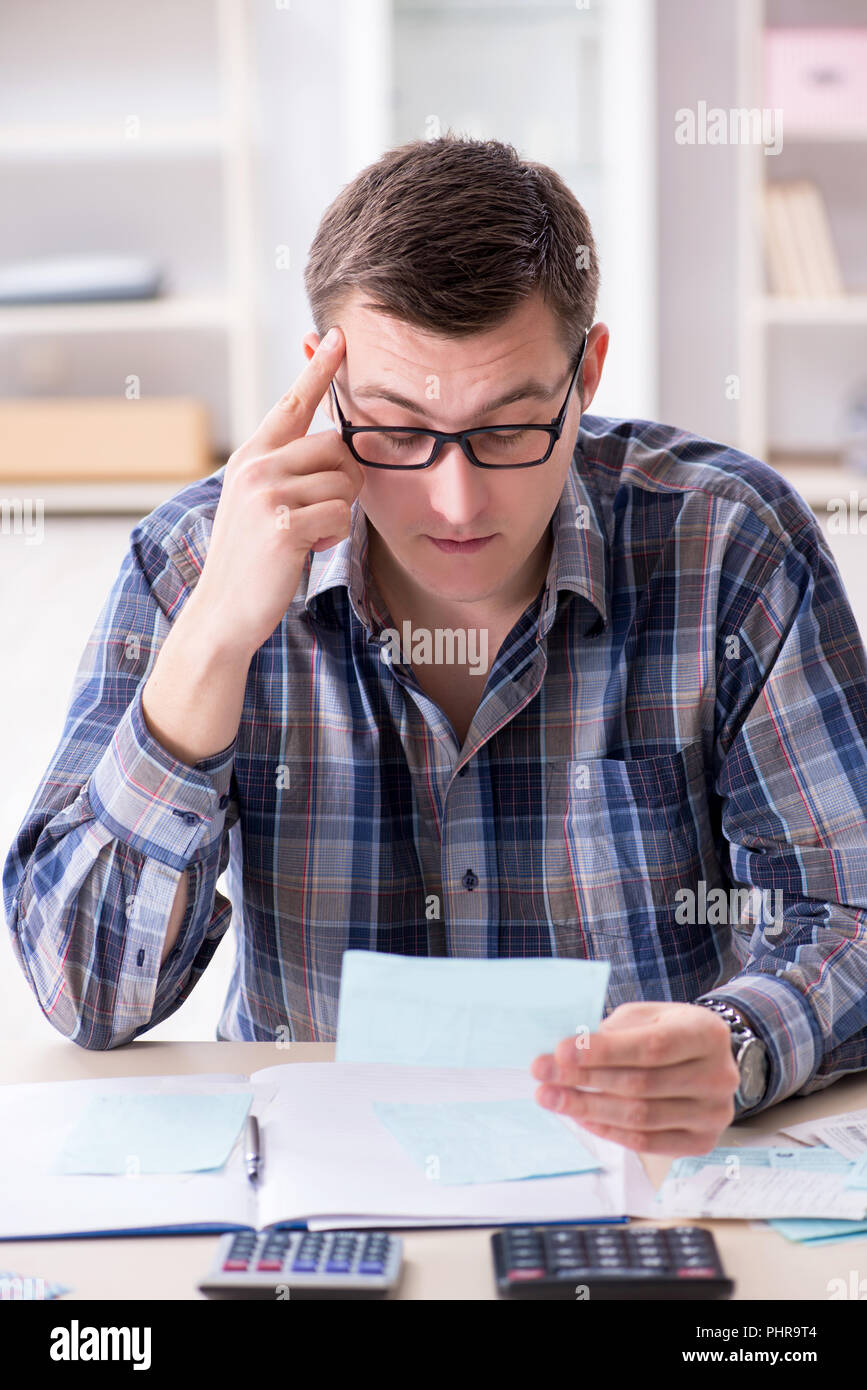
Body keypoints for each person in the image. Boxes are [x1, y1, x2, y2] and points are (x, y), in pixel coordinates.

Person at [5, 136, 867, 1159]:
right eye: (399, 428)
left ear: (585, 372)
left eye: (509, 429)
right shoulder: (193, 560)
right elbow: (84, 992)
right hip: (322, 1197)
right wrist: (211, 643)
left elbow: (848, 911)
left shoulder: (728, 543)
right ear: (324, 385)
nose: (456, 500)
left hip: (641, 1183)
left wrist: (738, 1040)